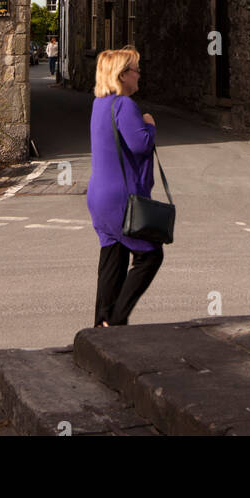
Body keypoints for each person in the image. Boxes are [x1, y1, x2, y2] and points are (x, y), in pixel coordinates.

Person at [86, 46, 163, 327]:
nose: (139, 75)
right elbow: (141, 145)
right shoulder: (124, 105)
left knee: (113, 257)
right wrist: (150, 125)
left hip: (98, 196)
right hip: (121, 198)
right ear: (123, 75)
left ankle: (101, 325)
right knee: (150, 254)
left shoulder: (100, 104)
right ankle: (116, 320)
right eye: (135, 70)